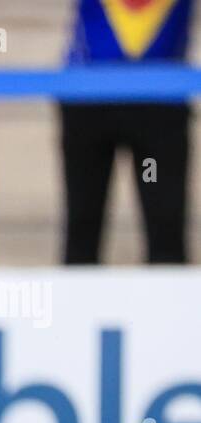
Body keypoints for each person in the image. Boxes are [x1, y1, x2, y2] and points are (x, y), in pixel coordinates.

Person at [61, 0, 192, 264]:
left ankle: (171, 303)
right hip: (87, 99)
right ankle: (77, 302)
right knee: (82, 233)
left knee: (166, 237)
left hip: (160, 103)